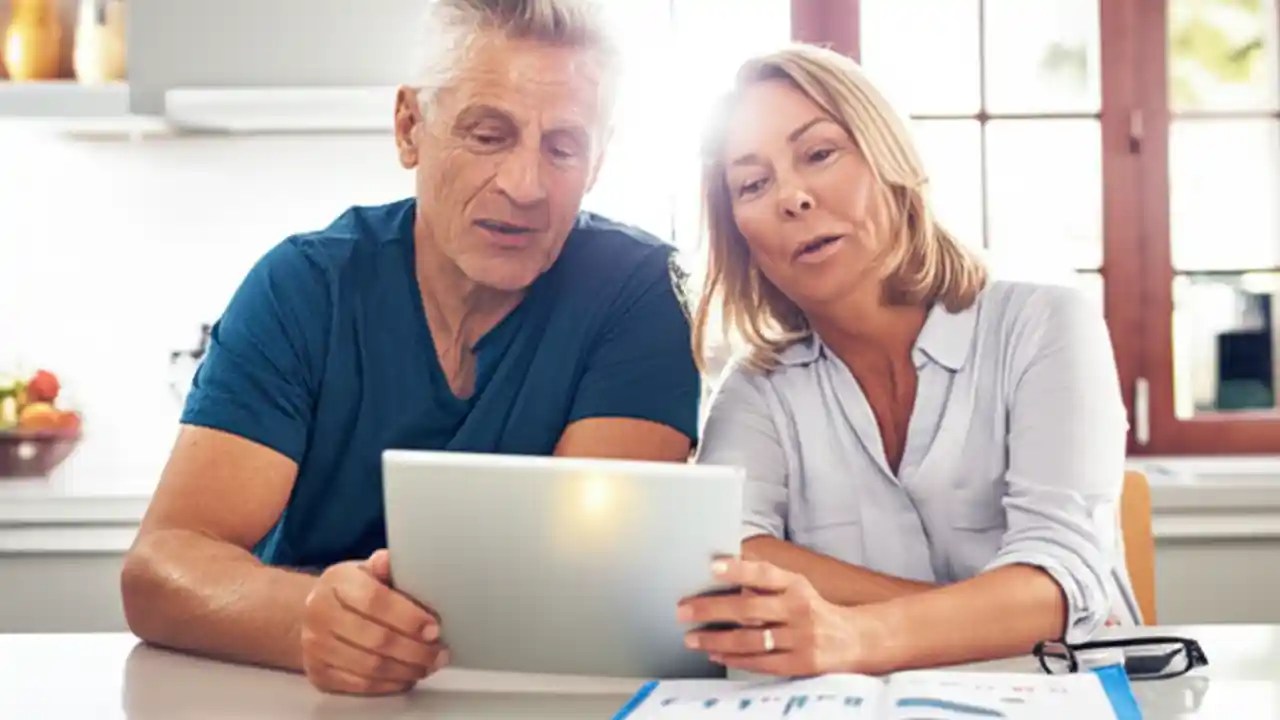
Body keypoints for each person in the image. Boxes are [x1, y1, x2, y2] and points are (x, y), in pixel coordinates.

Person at [120, 0, 700, 696]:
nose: (525, 186)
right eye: (488, 135)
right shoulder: (305, 288)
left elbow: (585, 583)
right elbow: (158, 570)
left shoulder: (638, 293)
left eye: (563, 147)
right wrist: (309, 617)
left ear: (598, 161)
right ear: (409, 128)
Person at [676, 43, 1141, 678]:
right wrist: (988, 621)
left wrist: (856, 634)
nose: (792, 197)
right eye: (752, 184)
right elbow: (727, 555)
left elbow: (1057, 574)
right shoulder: (755, 390)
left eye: (820, 153)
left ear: (890, 159)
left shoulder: (1046, 326)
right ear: (741, 235)